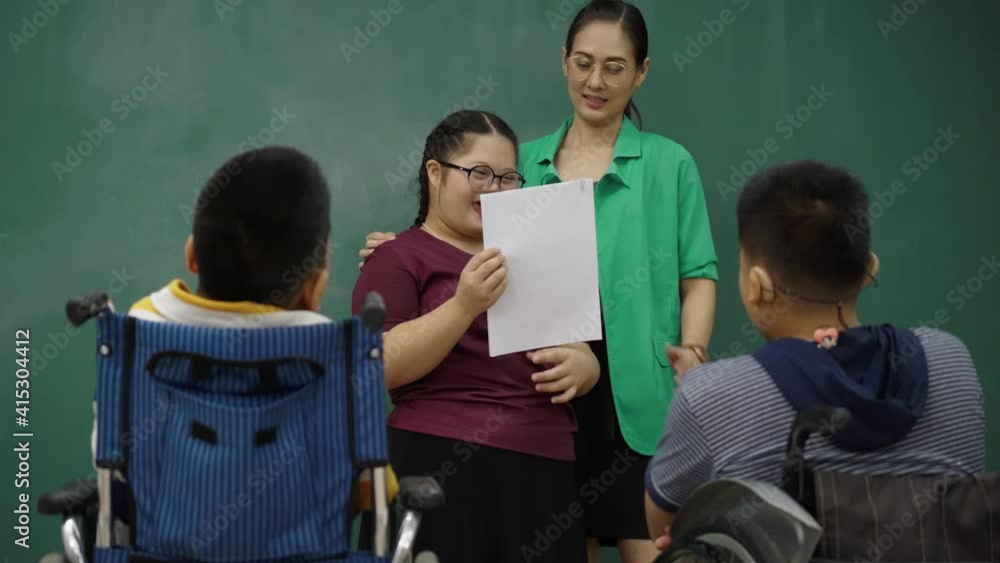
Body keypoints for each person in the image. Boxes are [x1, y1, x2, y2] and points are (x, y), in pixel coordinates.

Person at [359, 2, 718, 561]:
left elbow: (698, 274)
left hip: (636, 381)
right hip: (542, 378)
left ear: (641, 72)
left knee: (645, 543)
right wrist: (399, 246)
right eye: (583, 62)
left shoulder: (669, 164)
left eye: (615, 67)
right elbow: (460, 231)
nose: (595, 81)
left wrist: (691, 353)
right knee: (567, 539)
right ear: (564, 61)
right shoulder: (520, 163)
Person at [644, 160, 986, 548]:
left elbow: (665, 527)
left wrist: (700, 392)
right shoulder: (950, 361)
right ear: (869, 269)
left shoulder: (711, 396)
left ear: (757, 286)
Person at [92, 146, 398, 525]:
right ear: (315, 287)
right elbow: (369, 490)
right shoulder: (331, 353)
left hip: (162, 544)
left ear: (192, 255)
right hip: (301, 548)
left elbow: (115, 459)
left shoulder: (142, 326)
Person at [352, 110, 600, 562]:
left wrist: (586, 368)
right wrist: (464, 305)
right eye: (479, 173)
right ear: (435, 173)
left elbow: (577, 346)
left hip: (543, 465)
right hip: (437, 461)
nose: (494, 189)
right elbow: (378, 366)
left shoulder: (540, 252)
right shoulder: (396, 257)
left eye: (507, 178)